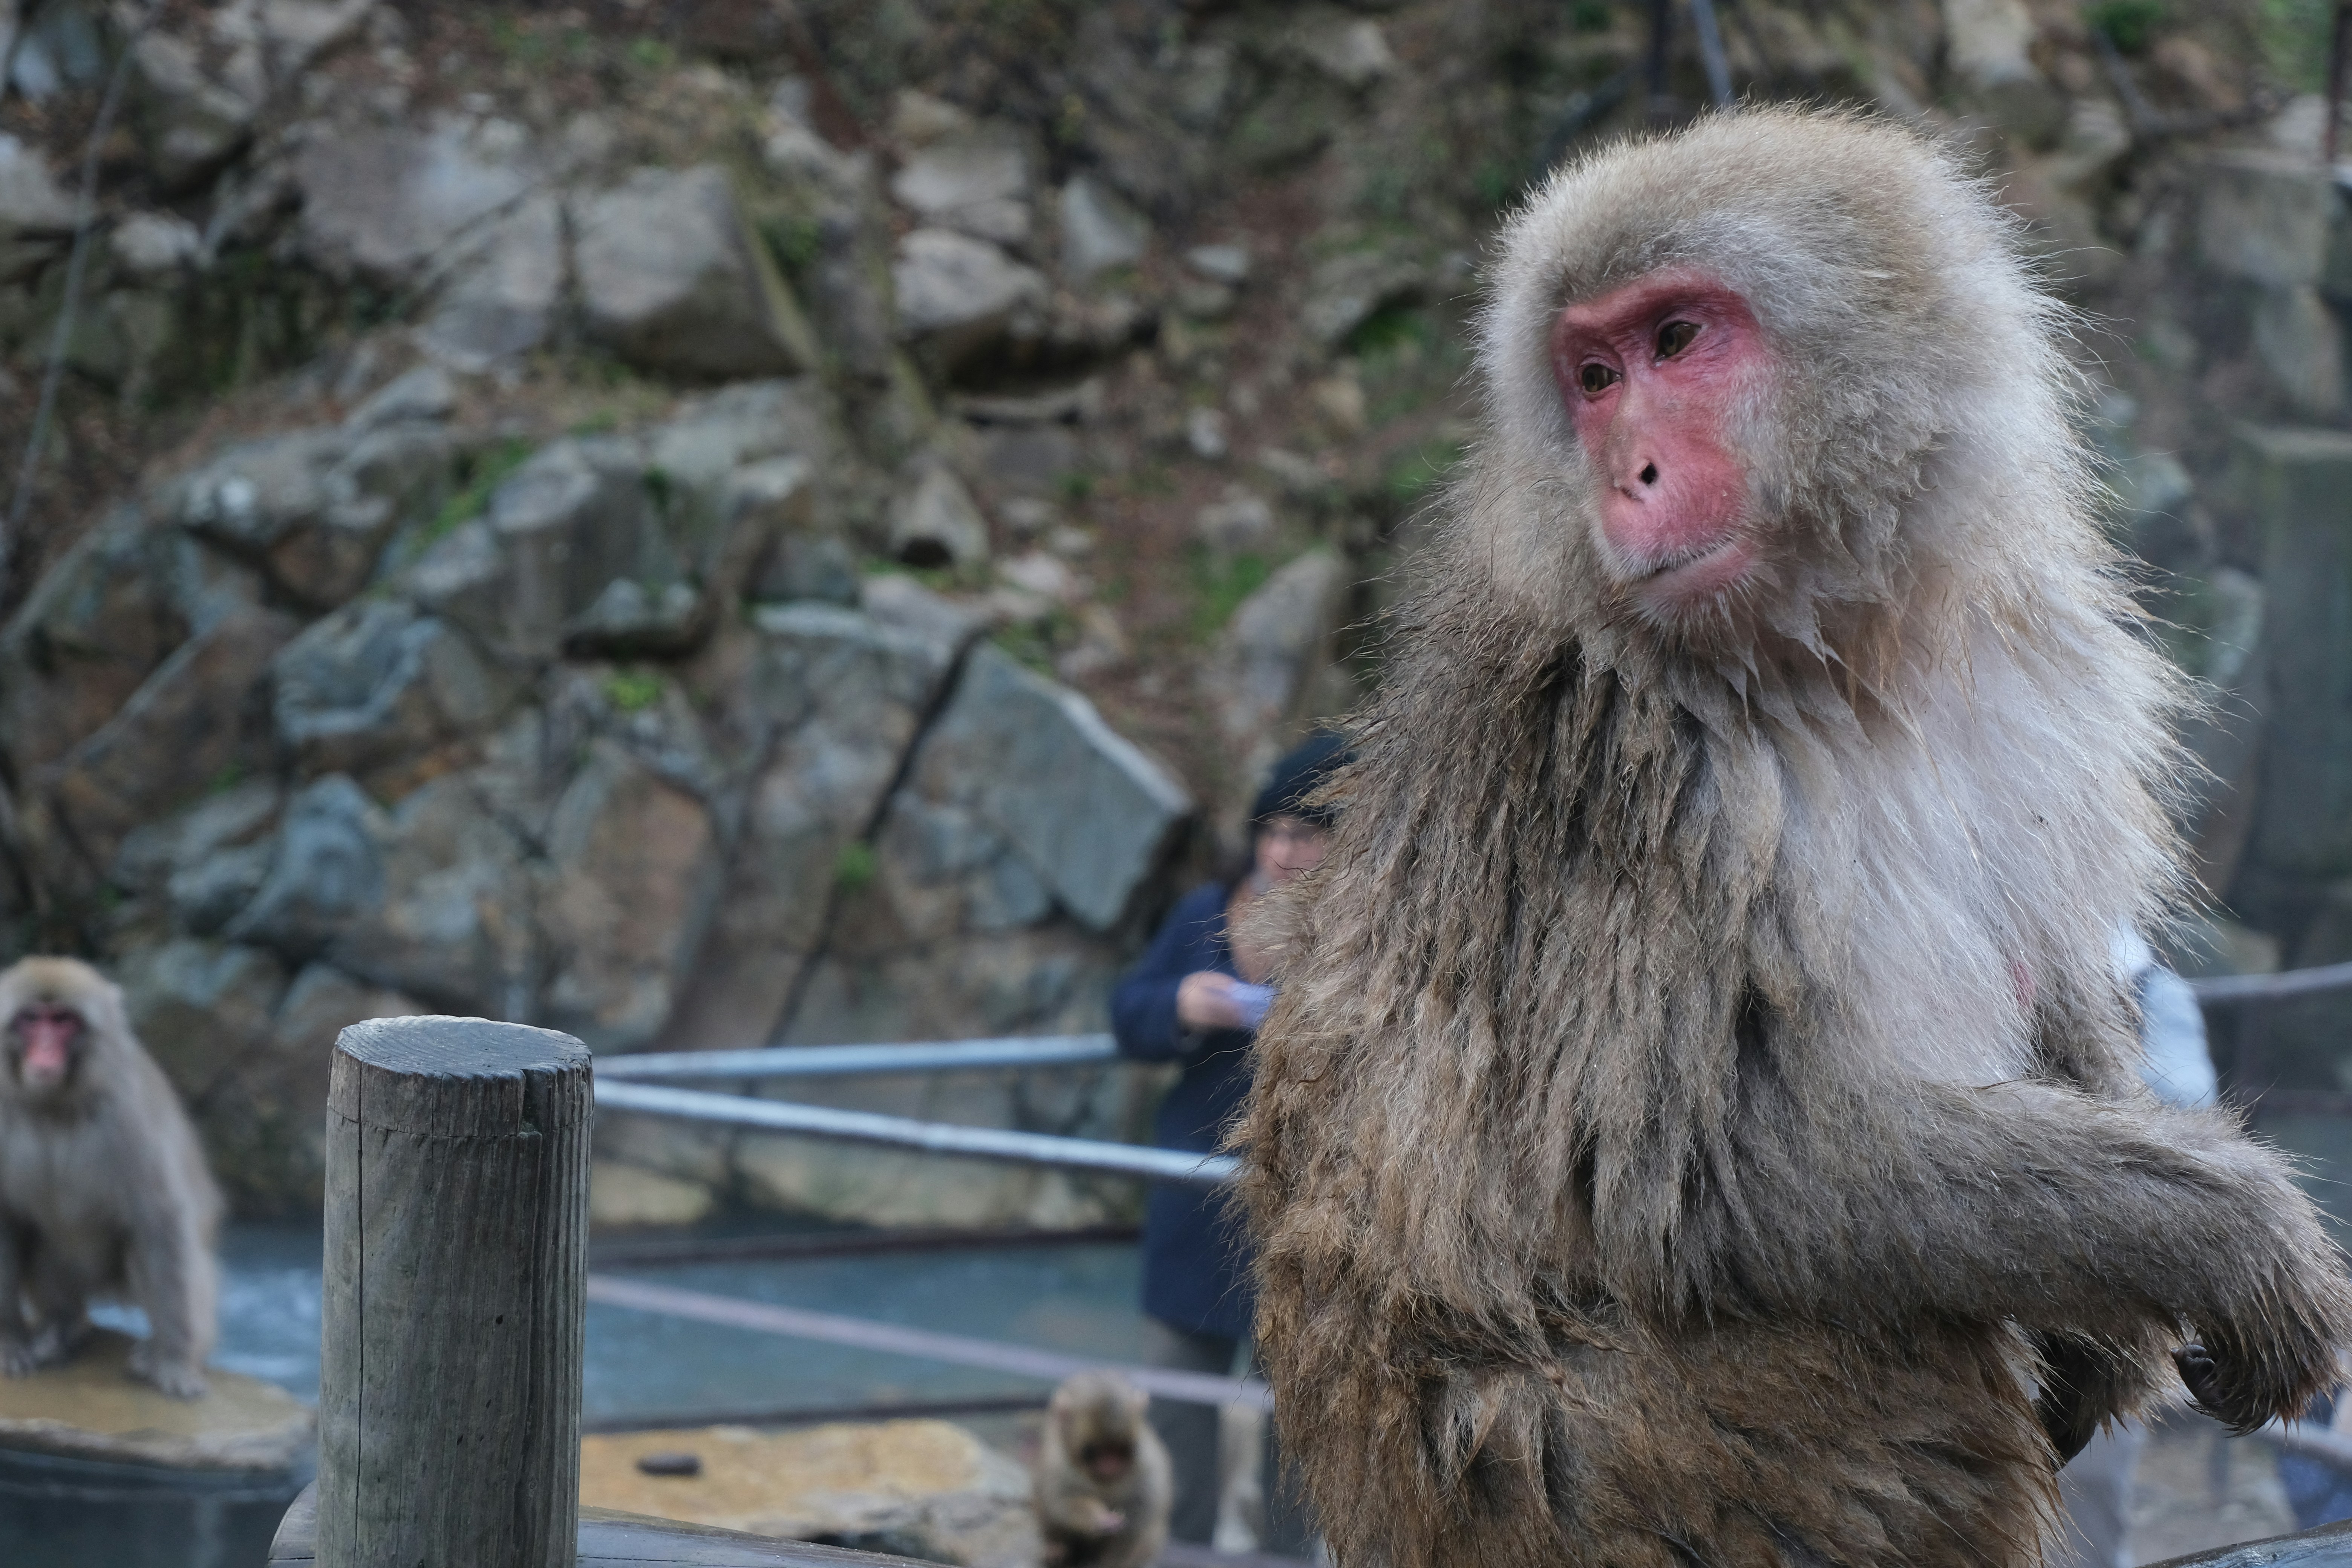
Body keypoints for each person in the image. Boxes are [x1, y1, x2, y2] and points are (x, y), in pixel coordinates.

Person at [1110, 731, 1346, 1557]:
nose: (1282, 853)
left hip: (1305, 1224)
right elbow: (1127, 1014)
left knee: (1301, 1436)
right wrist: (1182, 1002)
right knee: (1178, 1418)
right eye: (1272, 831)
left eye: (1306, 835)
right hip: (1194, 1209)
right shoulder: (1206, 913)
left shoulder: (1363, 934)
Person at [2052, 926, 2227, 1568]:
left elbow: (2188, 1130)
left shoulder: (2149, 990)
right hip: (2013, 1275)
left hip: (2106, 1291)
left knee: (2089, 1502)